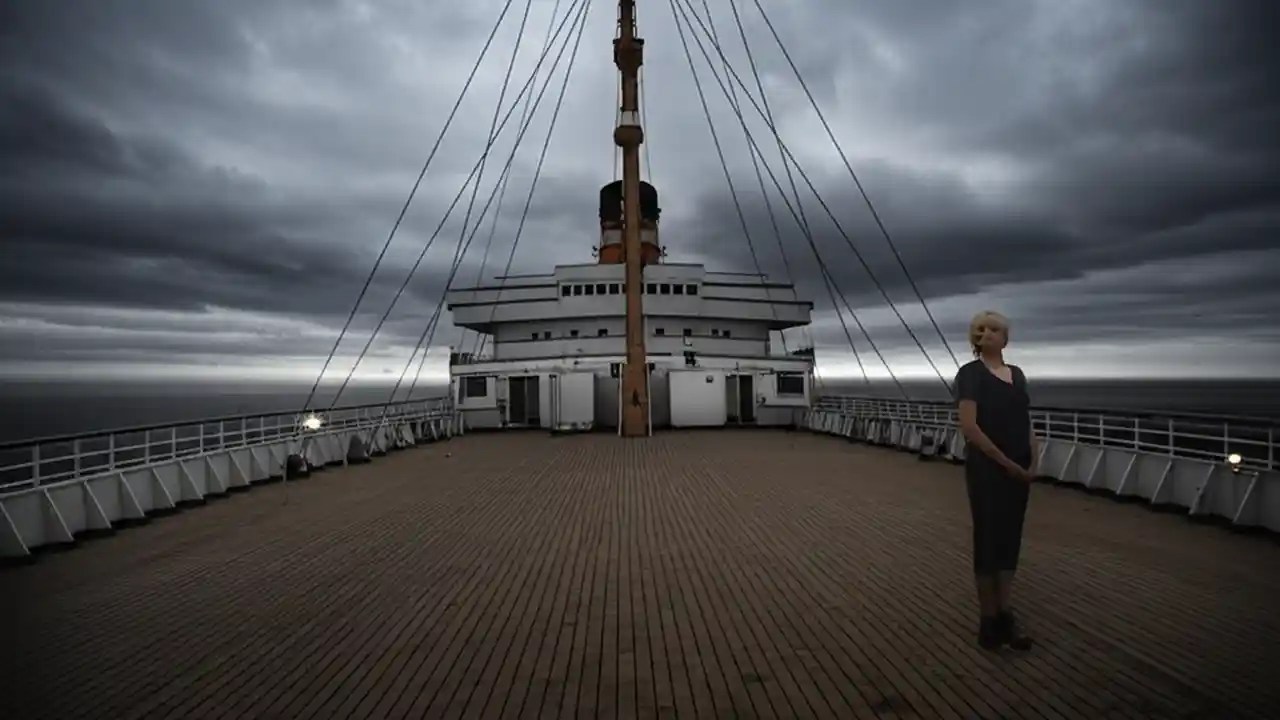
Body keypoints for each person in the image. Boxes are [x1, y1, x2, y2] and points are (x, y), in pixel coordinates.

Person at [954, 310, 1037, 651]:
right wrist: (1007, 463)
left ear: (1005, 337)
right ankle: (988, 621)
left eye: (993, 329)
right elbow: (970, 428)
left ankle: (1006, 615)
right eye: (980, 330)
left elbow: (1026, 420)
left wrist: (1034, 458)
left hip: (1019, 468)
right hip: (988, 469)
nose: (986, 333)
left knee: (1010, 540)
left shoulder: (1017, 376)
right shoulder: (970, 375)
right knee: (989, 540)